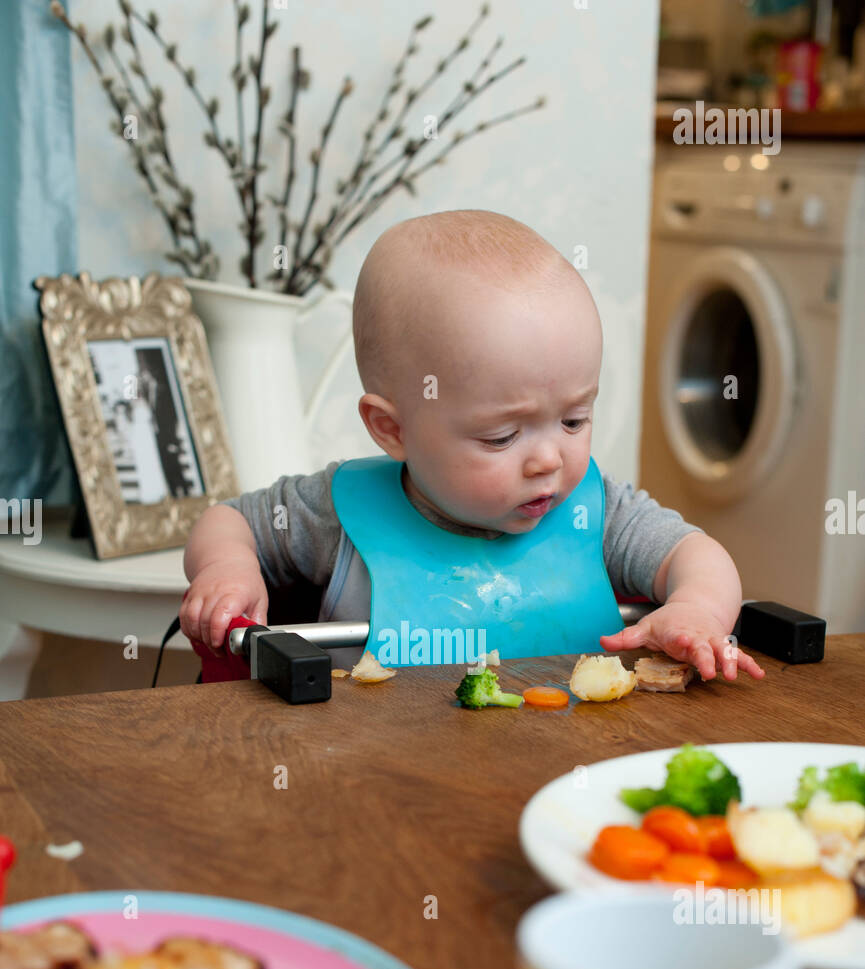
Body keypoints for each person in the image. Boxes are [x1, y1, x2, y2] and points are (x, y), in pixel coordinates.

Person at [180, 208, 764, 682]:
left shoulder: (599, 511)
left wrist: (696, 609)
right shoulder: (340, 514)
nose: (548, 460)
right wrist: (230, 567)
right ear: (392, 429)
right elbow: (230, 521)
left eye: (573, 420)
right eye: (502, 436)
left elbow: (698, 555)